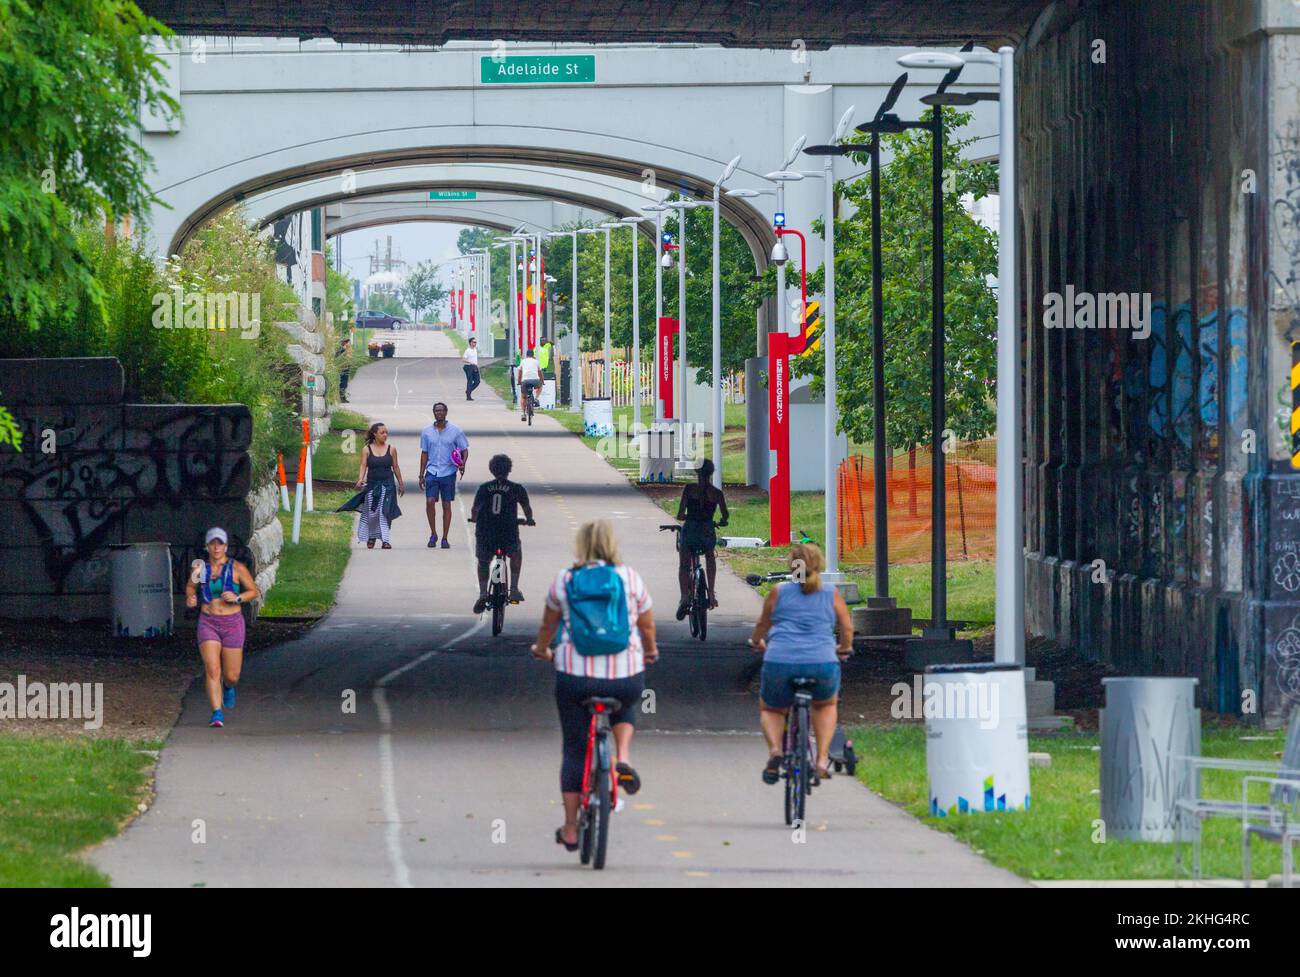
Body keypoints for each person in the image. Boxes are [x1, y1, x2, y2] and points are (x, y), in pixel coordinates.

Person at [530, 520, 658, 853]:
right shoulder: (630, 578)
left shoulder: (565, 580)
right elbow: (647, 624)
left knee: (574, 750)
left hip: (576, 676)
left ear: (581, 546)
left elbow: (548, 625)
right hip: (624, 675)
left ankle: (571, 829)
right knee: (627, 698)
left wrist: (542, 649)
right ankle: (623, 758)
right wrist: (651, 650)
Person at [747, 543, 853, 783]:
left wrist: (756, 642)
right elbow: (846, 627)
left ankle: (776, 751)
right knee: (825, 705)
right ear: (819, 564)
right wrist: (844, 648)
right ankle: (821, 760)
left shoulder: (779, 591)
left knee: (771, 708)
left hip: (780, 661)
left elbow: (763, 624)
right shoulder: (831, 593)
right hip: (822, 662)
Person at [185, 527, 259, 729]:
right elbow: (191, 587)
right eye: (212, 543)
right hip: (208, 622)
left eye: (220, 543)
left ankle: (228, 686)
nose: (216, 547)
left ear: (226, 546)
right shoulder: (200, 569)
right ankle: (216, 713)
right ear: (207, 546)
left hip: (232, 622)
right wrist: (191, 598)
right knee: (212, 669)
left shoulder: (237, 568)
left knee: (232, 675)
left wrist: (238, 597)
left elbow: (253, 591)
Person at [469, 454, 534, 611]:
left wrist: (474, 518)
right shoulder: (517, 488)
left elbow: (475, 509)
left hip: (486, 531)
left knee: (483, 561)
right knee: (516, 553)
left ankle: (483, 594)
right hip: (508, 531)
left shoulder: (484, 488)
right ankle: (513, 589)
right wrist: (529, 519)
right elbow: (526, 508)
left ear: (491, 469)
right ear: (509, 470)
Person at [674, 458, 729, 617]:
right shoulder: (717, 494)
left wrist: (686, 516)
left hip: (690, 529)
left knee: (684, 563)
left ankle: (684, 596)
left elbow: (680, 514)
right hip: (707, 531)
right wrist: (721, 521)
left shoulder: (689, 489)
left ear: (696, 472)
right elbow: (725, 516)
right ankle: (711, 592)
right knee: (710, 556)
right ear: (711, 473)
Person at [337, 422, 404, 548]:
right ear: (374, 434)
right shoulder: (367, 449)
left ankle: (385, 540)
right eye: (382, 433)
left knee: (384, 512)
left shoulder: (392, 449)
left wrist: (400, 483)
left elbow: (395, 467)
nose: (385, 435)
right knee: (372, 512)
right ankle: (371, 536)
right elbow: (363, 465)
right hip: (372, 485)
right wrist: (360, 479)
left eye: (386, 433)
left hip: (388, 485)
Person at [418, 402, 469, 549]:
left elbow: (464, 450)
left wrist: (462, 464)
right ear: (433, 413)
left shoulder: (456, 431)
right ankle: (433, 533)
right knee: (430, 501)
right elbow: (424, 453)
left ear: (446, 412)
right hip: (432, 471)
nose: (439, 413)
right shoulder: (426, 431)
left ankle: (445, 538)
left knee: (446, 504)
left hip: (448, 472)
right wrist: (421, 475)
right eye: (436, 411)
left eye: (441, 410)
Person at [517, 347, 542, 420]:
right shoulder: (536, 361)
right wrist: (542, 381)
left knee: (523, 397)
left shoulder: (523, 361)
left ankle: (523, 414)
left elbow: (520, 372)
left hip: (525, 381)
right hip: (535, 381)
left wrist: (519, 382)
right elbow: (540, 373)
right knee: (540, 386)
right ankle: (536, 399)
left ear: (526, 355)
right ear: (533, 355)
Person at [462, 336, 481, 400]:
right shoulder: (468, 350)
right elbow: (463, 359)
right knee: (470, 381)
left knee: (477, 381)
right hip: (469, 366)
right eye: (473, 342)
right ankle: (468, 396)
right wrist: (470, 362)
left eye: (476, 342)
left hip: (475, 367)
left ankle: (468, 391)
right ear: (470, 343)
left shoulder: (475, 350)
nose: (475, 343)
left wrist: (476, 365)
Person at [336, 338, 352, 403]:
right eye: (348, 343)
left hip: (345, 368)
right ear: (345, 343)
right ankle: (342, 398)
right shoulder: (341, 350)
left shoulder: (345, 350)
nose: (349, 344)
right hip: (342, 369)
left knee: (344, 384)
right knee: (343, 383)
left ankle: (343, 397)